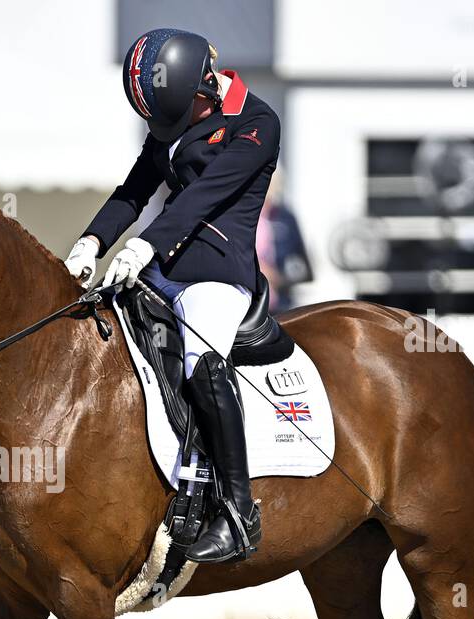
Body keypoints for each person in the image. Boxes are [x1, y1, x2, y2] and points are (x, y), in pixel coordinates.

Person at [64, 28, 279, 563]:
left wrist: (144, 246)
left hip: (218, 273)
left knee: (202, 365)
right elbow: (135, 190)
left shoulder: (257, 125)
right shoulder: (173, 119)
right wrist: (92, 241)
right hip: (161, 265)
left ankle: (237, 511)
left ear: (206, 86)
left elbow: (205, 197)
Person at [256, 170, 311, 312]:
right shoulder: (239, 216)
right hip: (249, 299)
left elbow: (303, 266)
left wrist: (279, 277)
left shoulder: (285, 218)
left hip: (280, 303)